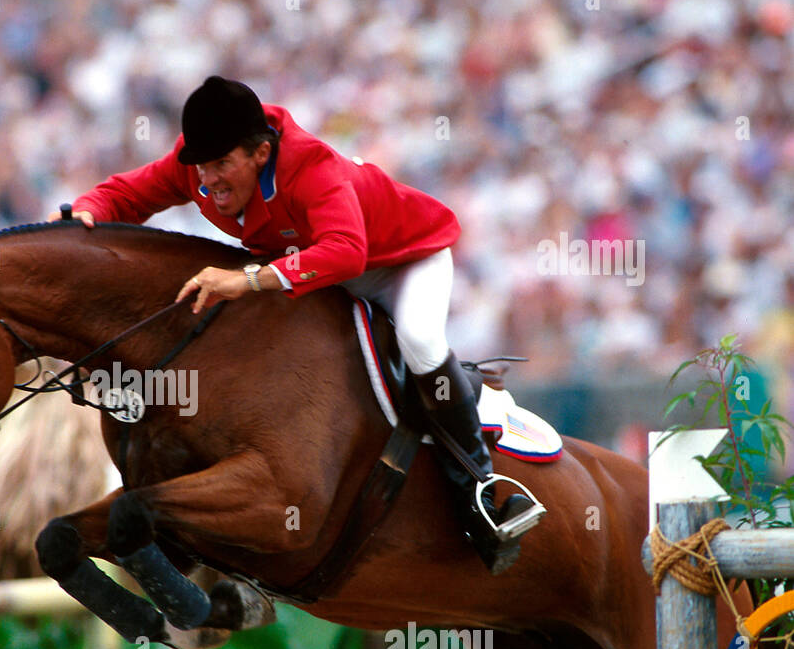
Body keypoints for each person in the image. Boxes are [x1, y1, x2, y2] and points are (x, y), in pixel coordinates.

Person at [51, 76, 541, 572]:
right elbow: (127, 195)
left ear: (261, 154)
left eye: (222, 166)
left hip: (399, 262)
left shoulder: (311, 166)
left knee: (419, 341)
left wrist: (249, 280)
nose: (208, 180)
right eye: (202, 166)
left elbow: (348, 252)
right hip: (317, 267)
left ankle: (481, 494)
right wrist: (86, 215)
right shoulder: (200, 163)